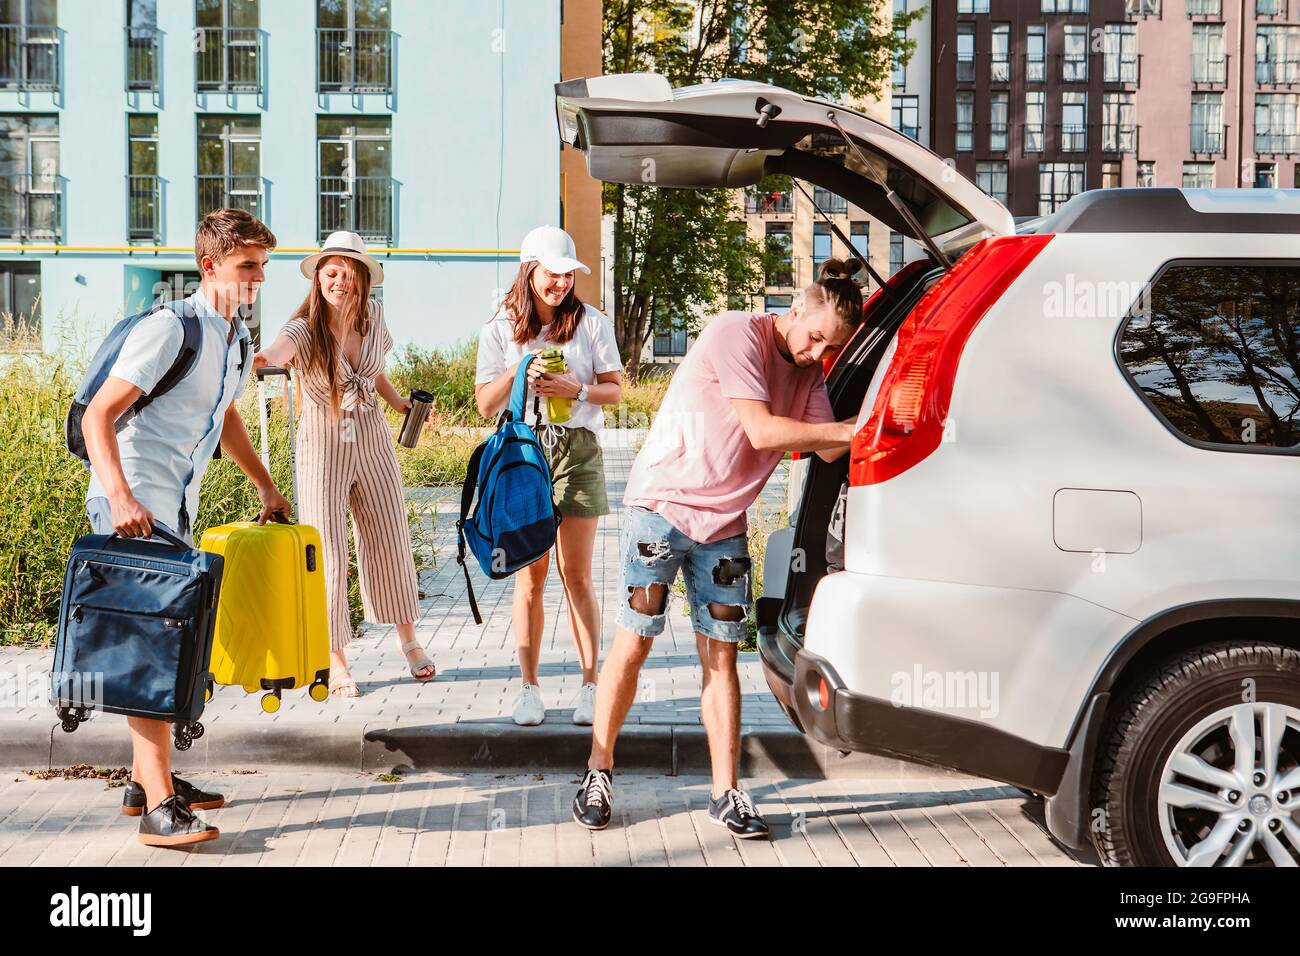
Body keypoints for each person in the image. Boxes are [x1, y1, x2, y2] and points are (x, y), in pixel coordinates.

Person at [572, 258, 866, 838]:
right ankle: (597, 772)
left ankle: (727, 793)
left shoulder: (808, 374)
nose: (814, 356)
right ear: (797, 308)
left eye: (828, 349)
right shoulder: (736, 333)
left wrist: (884, 420)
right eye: (814, 338)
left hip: (725, 525)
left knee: (723, 659)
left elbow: (828, 451)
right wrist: (853, 428)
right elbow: (765, 433)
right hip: (662, 510)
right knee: (633, 646)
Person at [81, 208, 290, 847]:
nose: (257, 278)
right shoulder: (172, 328)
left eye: (262, 266)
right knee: (151, 651)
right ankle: (159, 808)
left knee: (166, 644)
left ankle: (148, 781)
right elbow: (98, 415)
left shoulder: (236, 339)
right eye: (246, 266)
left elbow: (225, 416)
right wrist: (118, 495)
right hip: (134, 506)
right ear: (209, 266)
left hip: (173, 508)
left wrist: (265, 483)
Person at [253, 231, 428, 697]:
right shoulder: (304, 327)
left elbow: (376, 374)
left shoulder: (372, 318)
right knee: (328, 549)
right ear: (319, 278)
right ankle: (333, 656)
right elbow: (277, 352)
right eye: (332, 273)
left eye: (350, 275)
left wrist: (402, 407)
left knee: (390, 533)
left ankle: (407, 638)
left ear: (364, 281)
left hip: (370, 432)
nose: (341, 282)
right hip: (323, 441)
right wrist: (261, 359)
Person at [474, 225, 623, 726]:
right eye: (551, 274)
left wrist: (572, 387)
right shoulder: (498, 327)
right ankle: (529, 689)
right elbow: (482, 404)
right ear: (529, 270)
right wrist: (521, 373)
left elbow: (614, 391)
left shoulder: (591, 323)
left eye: (567, 275)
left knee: (576, 573)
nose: (560, 283)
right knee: (530, 578)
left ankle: (589, 685)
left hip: (576, 449)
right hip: (523, 452)